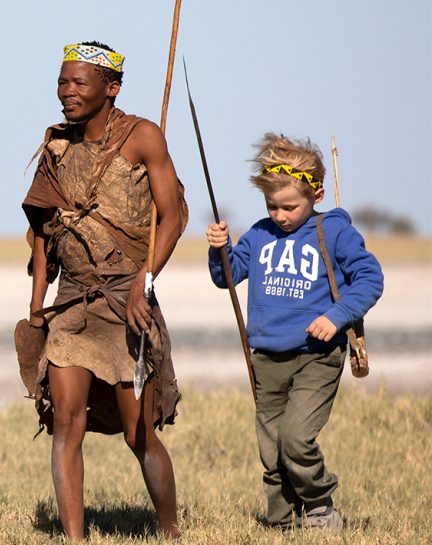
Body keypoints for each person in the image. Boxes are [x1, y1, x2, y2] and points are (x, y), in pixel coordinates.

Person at [20, 41, 186, 540]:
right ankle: (75, 538)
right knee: (65, 425)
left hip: (125, 304)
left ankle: (170, 531)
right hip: (72, 304)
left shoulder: (142, 137)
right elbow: (44, 232)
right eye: (62, 81)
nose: (66, 91)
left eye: (79, 83)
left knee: (139, 434)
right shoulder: (57, 146)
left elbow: (173, 217)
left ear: (111, 88)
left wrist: (144, 281)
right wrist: (37, 308)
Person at [206, 133, 384, 531]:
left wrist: (337, 316)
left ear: (316, 195)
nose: (280, 215)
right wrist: (219, 250)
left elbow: (370, 279)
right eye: (272, 206)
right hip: (266, 357)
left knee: (296, 439)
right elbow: (227, 277)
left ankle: (320, 507)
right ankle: (281, 521)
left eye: (290, 207)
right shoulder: (259, 234)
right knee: (271, 449)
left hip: (317, 354)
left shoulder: (333, 233)